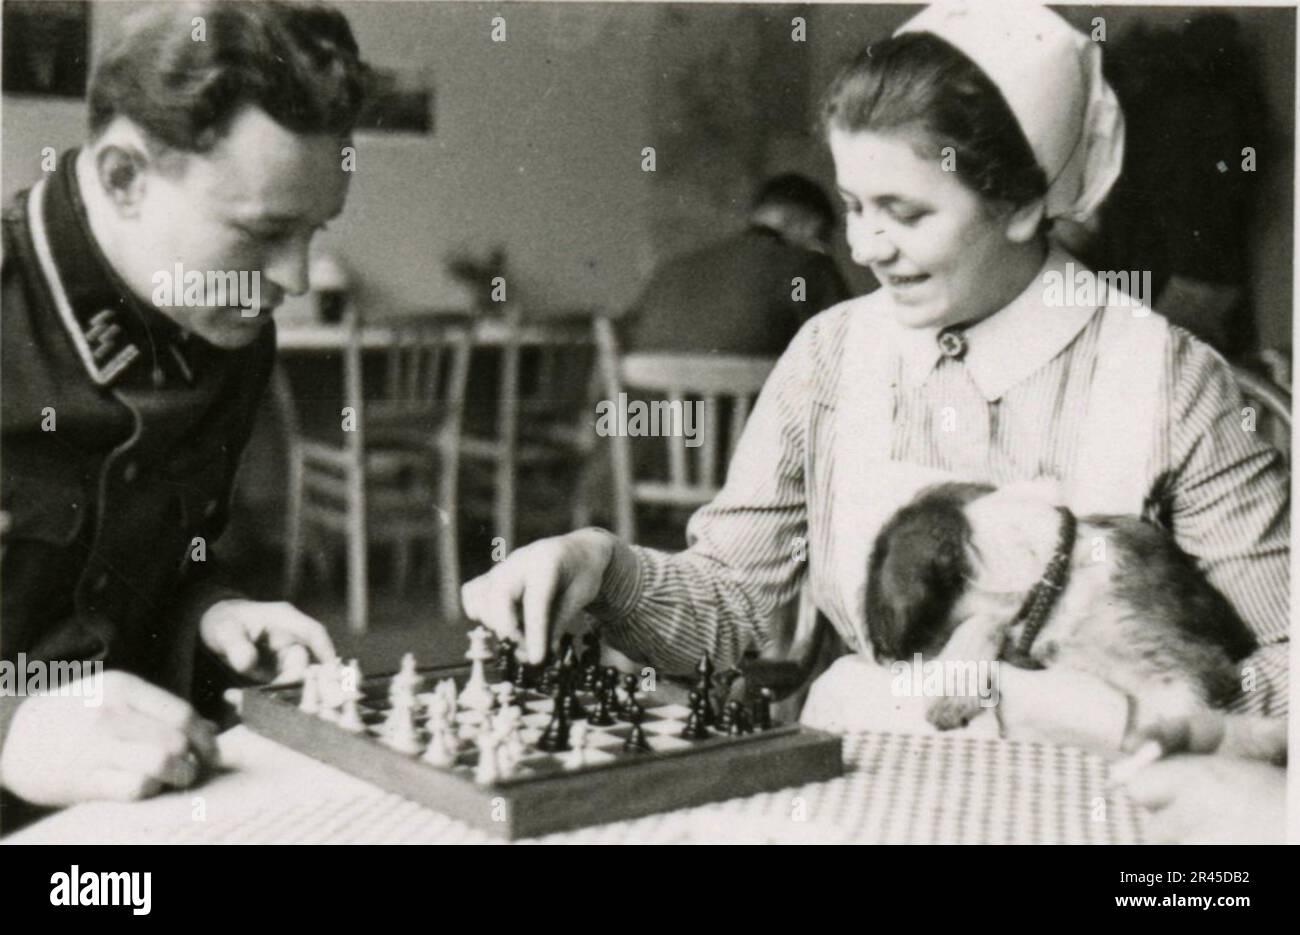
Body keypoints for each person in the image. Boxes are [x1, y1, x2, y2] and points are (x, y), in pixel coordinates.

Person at [463, 0, 1288, 759]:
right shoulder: (831, 354)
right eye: (853, 205)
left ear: (1026, 204)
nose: (864, 247)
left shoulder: (1169, 380)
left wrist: (1158, 718)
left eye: (907, 212)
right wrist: (600, 563)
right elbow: (733, 611)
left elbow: (1285, 666)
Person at [0, 1, 368, 815]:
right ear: (125, 177)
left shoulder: (230, 324)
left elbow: (170, 558)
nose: (297, 280)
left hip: (138, 797)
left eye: (315, 231)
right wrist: (11, 728)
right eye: (262, 232)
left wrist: (214, 613)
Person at [623, 174, 850, 357]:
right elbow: (849, 353)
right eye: (823, 238)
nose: (826, 250)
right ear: (808, 225)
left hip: (650, 413)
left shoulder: (670, 270)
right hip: (751, 413)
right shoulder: (808, 266)